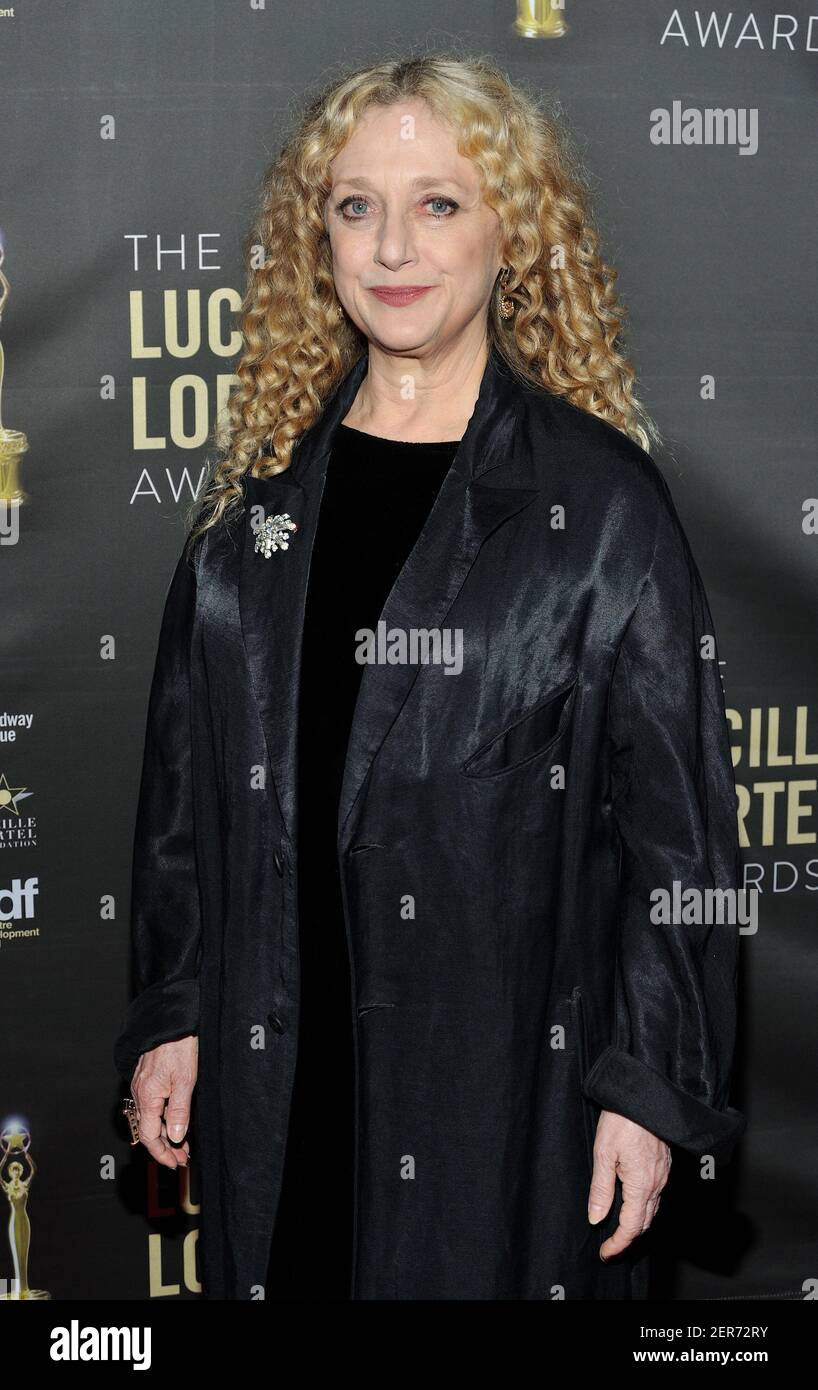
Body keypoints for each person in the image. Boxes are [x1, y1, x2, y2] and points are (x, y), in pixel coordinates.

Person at [114, 52, 745, 1301]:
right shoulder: (255, 509)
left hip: (499, 1110)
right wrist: (174, 1008)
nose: (392, 244)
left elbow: (681, 850)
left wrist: (643, 1087)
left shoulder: (597, 506)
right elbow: (180, 805)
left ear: (512, 231)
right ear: (321, 237)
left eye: (438, 203)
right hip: (276, 1091)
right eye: (356, 206)